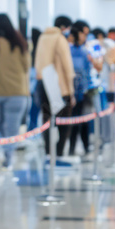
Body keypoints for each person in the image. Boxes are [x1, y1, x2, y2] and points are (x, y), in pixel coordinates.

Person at [0, 13, 31, 170]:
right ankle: (8, 159)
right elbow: (27, 67)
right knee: (12, 129)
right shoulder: (19, 43)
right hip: (17, 93)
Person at [34, 19, 75, 157]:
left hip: (43, 84)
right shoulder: (60, 39)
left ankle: (47, 153)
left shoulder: (42, 37)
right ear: (63, 27)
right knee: (63, 122)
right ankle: (58, 154)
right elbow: (67, 66)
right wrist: (71, 91)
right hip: (60, 86)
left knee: (46, 120)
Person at [67, 23, 99, 157]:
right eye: (82, 33)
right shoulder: (69, 50)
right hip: (71, 92)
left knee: (84, 121)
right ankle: (71, 148)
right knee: (73, 122)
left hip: (84, 92)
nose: (84, 36)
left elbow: (87, 70)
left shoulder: (86, 51)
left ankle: (86, 147)